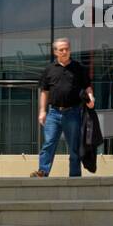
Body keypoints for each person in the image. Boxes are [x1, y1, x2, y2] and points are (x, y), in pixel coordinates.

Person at [32, 38, 94, 178]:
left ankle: (75, 175)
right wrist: (42, 111)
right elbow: (44, 91)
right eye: (61, 50)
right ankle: (43, 171)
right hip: (53, 113)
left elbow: (88, 87)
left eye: (67, 49)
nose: (65, 52)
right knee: (49, 143)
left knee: (74, 146)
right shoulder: (49, 69)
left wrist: (91, 98)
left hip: (73, 112)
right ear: (55, 52)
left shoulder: (78, 68)